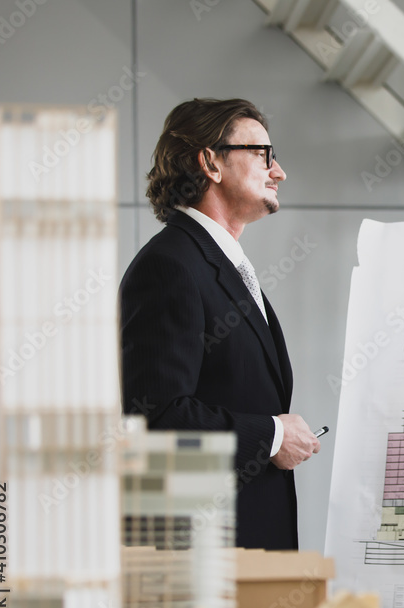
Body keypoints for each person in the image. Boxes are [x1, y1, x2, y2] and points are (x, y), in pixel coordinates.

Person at [119, 98, 320, 550]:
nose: (278, 171)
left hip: (242, 556)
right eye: (263, 154)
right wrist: (272, 436)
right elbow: (156, 419)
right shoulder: (170, 266)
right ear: (210, 162)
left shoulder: (218, 265)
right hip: (201, 567)